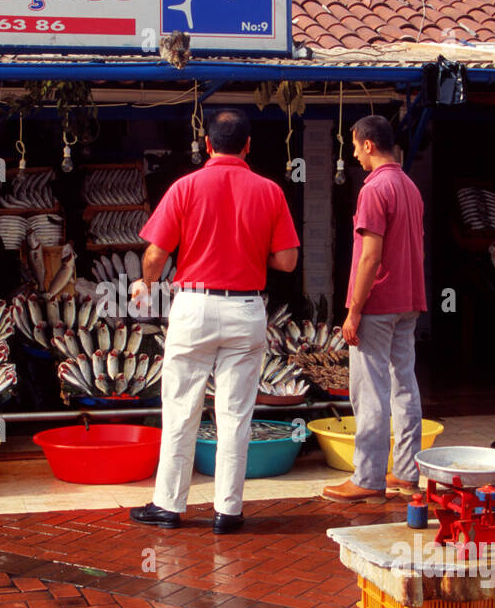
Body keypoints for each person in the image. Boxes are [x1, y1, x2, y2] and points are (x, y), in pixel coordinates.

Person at [128, 109, 300, 534]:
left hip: (195, 305)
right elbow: (287, 261)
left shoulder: (185, 187)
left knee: (181, 407)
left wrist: (145, 284)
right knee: (235, 413)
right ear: (247, 145)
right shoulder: (270, 191)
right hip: (246, 310)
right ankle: (228, 511)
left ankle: (168, 507)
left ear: (207, 145)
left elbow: (155, 254)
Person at [323, 115, 427, 503]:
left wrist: (353, 309)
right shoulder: (410, 187)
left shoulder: (374, 189)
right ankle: (406, 470)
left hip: (378, 302)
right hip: (409, 300)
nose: (354, 155)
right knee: (404, 385)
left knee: (370, 389)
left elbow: (370, 257)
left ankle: (367, 477)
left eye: (353, 146)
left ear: (369, 144)